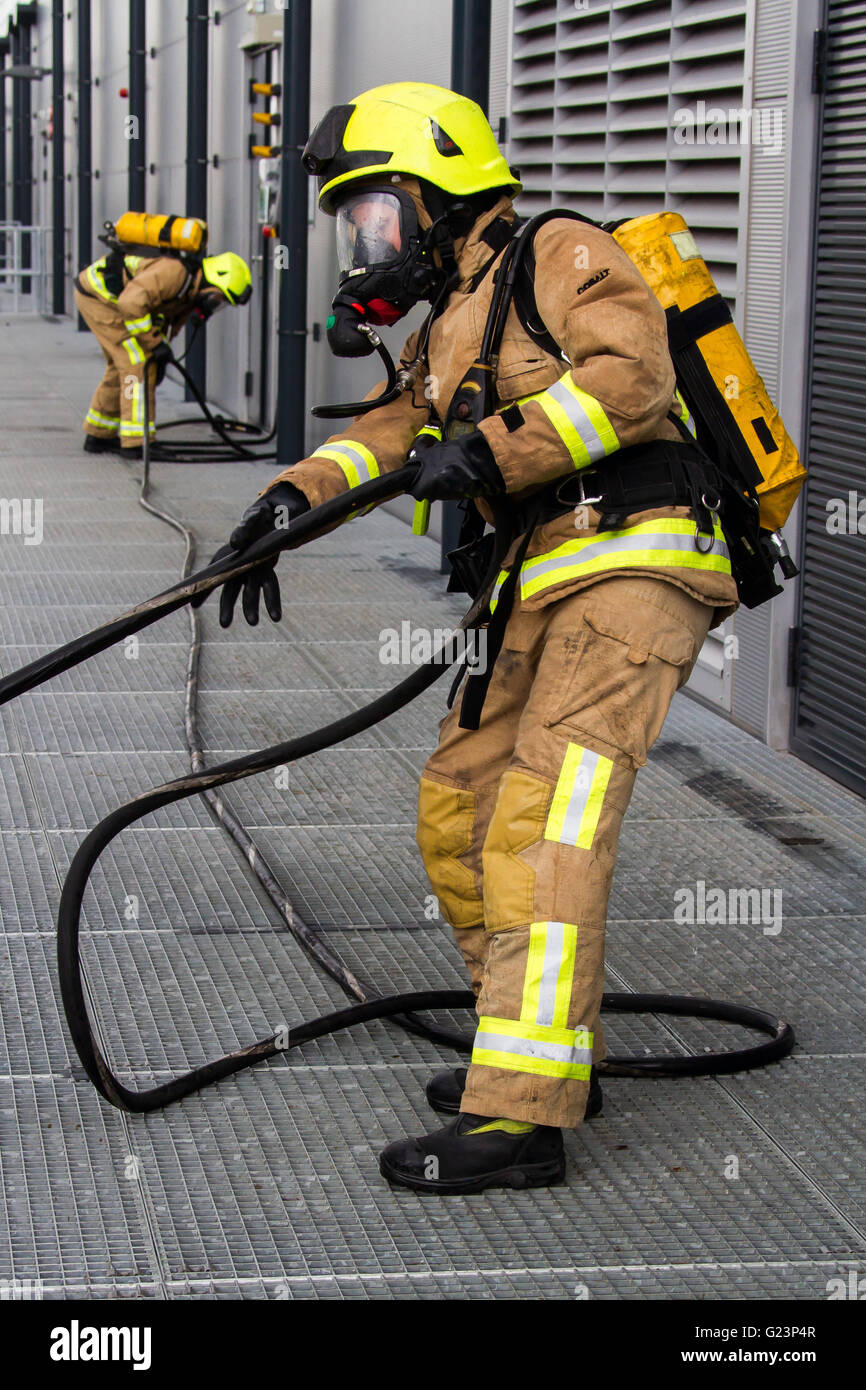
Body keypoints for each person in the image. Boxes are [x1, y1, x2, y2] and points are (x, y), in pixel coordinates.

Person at [204, 82, 739, 1195]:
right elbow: (399, 427)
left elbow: (630, 382)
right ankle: (532, 1052)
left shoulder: (558, 251)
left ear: (435, 188)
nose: (366, 242)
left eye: (374, 212)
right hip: (535, 577)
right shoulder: (461, 308)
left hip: (632, 561)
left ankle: (518, 1118)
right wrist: (290, 502)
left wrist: (496, 451)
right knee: (458, 808)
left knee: (541, 824)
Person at [74, 248, 252, 458]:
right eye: (218, 299)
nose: (214, 306)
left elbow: (163, 322)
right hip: (99, 295)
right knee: (136, 364)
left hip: (109, 298)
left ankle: (98, 433)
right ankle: (136, 442)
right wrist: (154, 344)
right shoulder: (175, 274)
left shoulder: (189, 293)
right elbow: (131, 303)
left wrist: (160, 350)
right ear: (214, 282)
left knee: (123, 365)